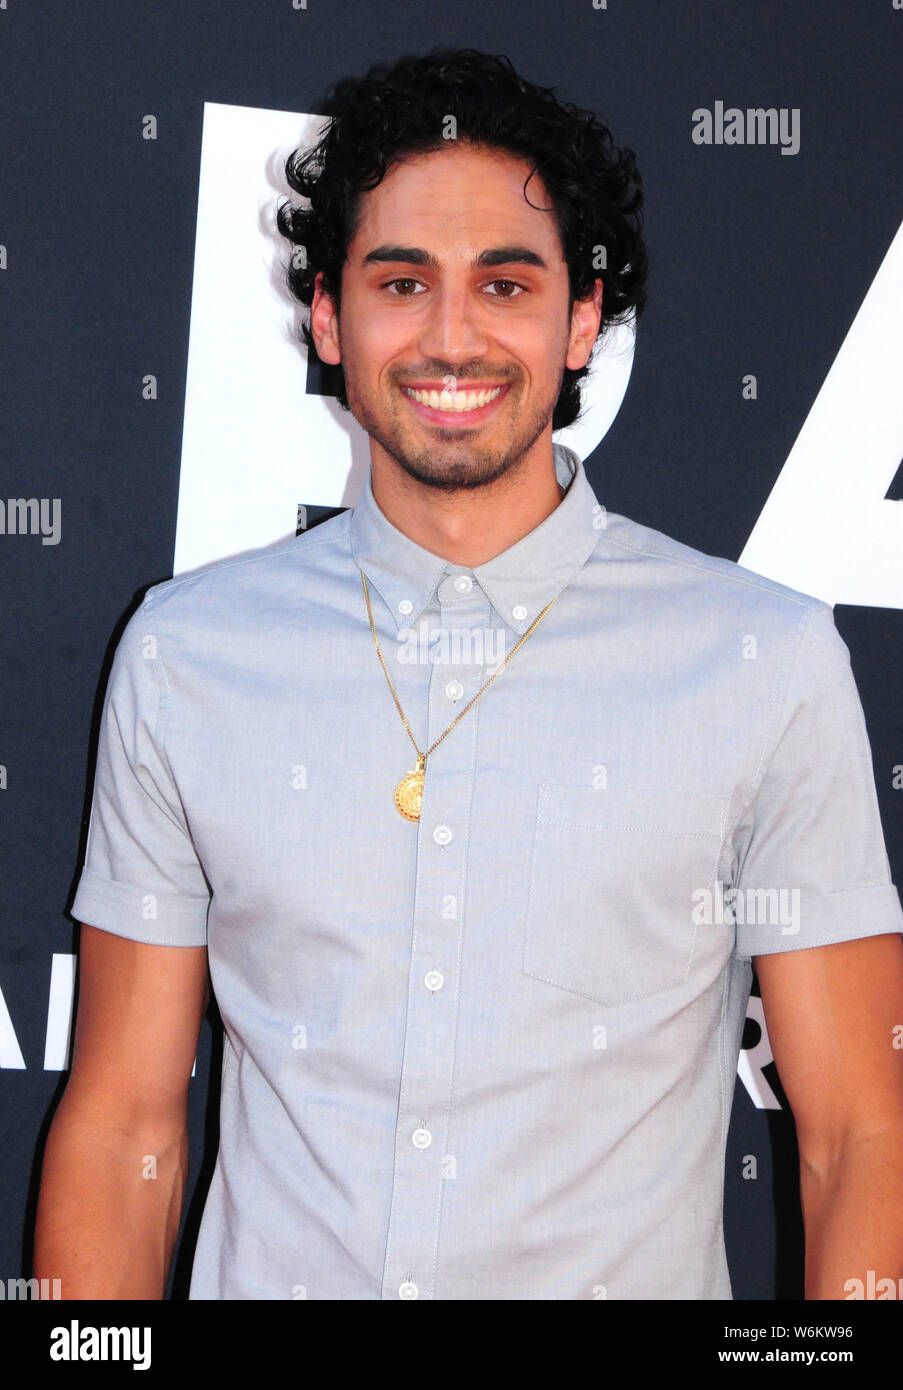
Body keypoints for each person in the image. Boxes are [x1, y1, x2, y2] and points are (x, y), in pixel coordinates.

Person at [35, 48, 903, 1301]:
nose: (453, 336)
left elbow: (857, 1138)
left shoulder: (760, 660)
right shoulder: (187, 655)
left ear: (583, 320)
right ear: (329, 318)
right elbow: (124, 1130)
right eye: (401, 282)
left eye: (506, 282)